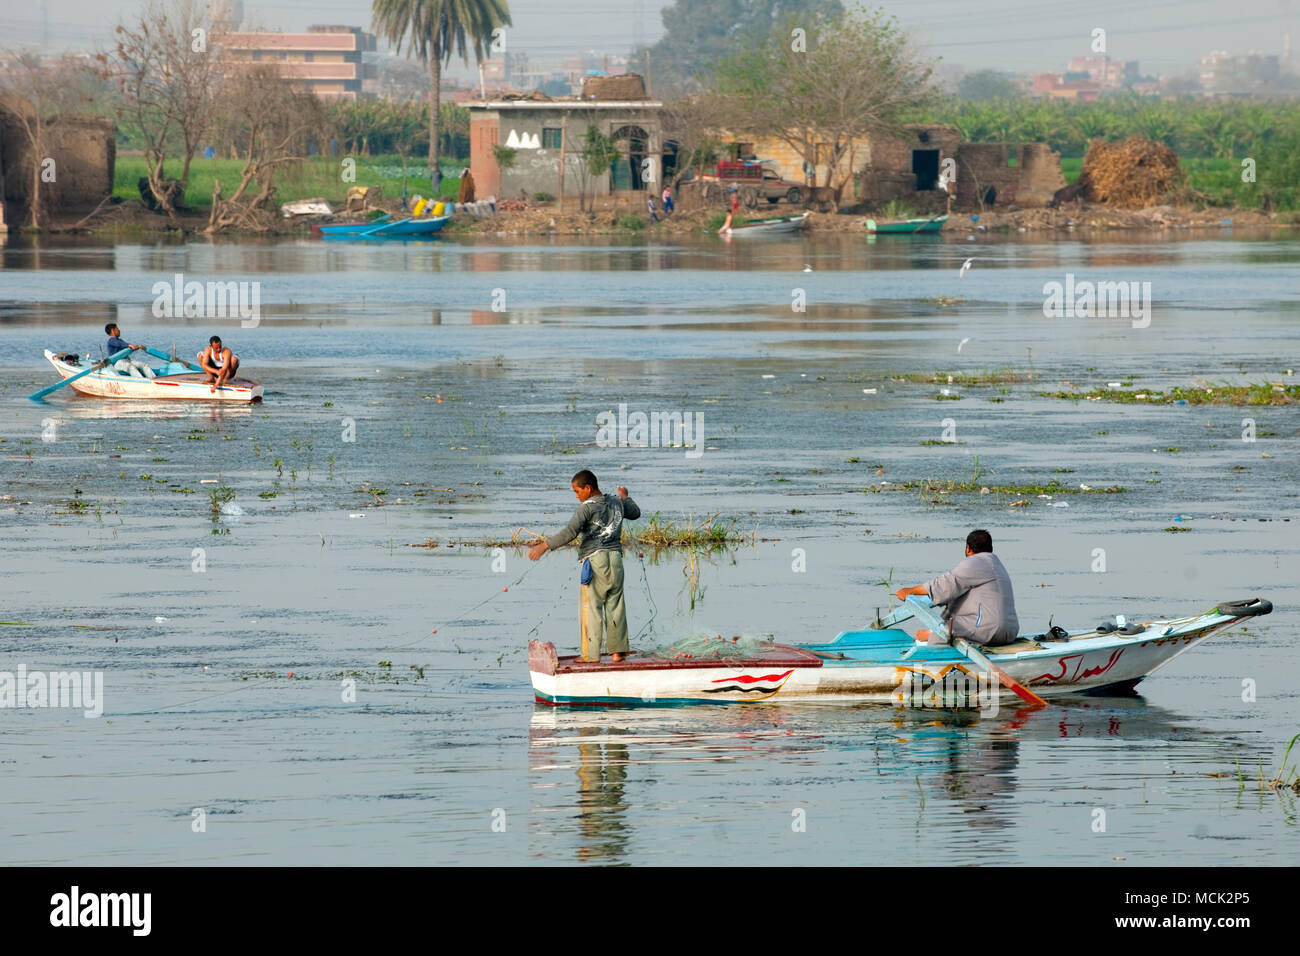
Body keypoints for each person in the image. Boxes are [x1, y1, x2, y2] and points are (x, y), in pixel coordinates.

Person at [529, 470, 641, 664]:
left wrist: (544, 546)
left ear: (588, 488)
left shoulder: (586, 508)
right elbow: (635, 512)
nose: (576, 496)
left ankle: (590, 656)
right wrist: (625, 496)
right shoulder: (616, 502)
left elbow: (570, 532)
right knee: (616, 606)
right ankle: (618, 652)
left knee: (592, 608)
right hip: (616, 560)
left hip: (595, 561)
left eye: (577, 491)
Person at [895, 529, 1019, 646]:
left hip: (991, 630)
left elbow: (946, 585)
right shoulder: (996, 564)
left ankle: (929, 662)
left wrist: (910, 591)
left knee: (942, 633)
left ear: (968, 548)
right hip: (1010, 631)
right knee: (947, 626)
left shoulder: (974, 562)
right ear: (990, 548)